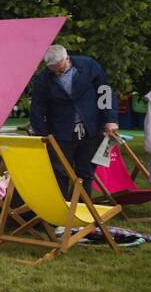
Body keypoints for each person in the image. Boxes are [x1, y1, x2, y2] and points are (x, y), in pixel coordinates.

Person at [29, 45, 119, 196]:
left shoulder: (89, 65)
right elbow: (37, 110)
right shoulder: (42, 80)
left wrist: (110, 119)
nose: (57, 73)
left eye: (60, 69)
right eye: (53, 70)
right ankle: (62, 214)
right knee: (60, 174)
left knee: (85, 174)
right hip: (60, 133)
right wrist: (43, 136)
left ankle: (83, 211)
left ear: (67, 59)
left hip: (91, 128)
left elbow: (105, 92)